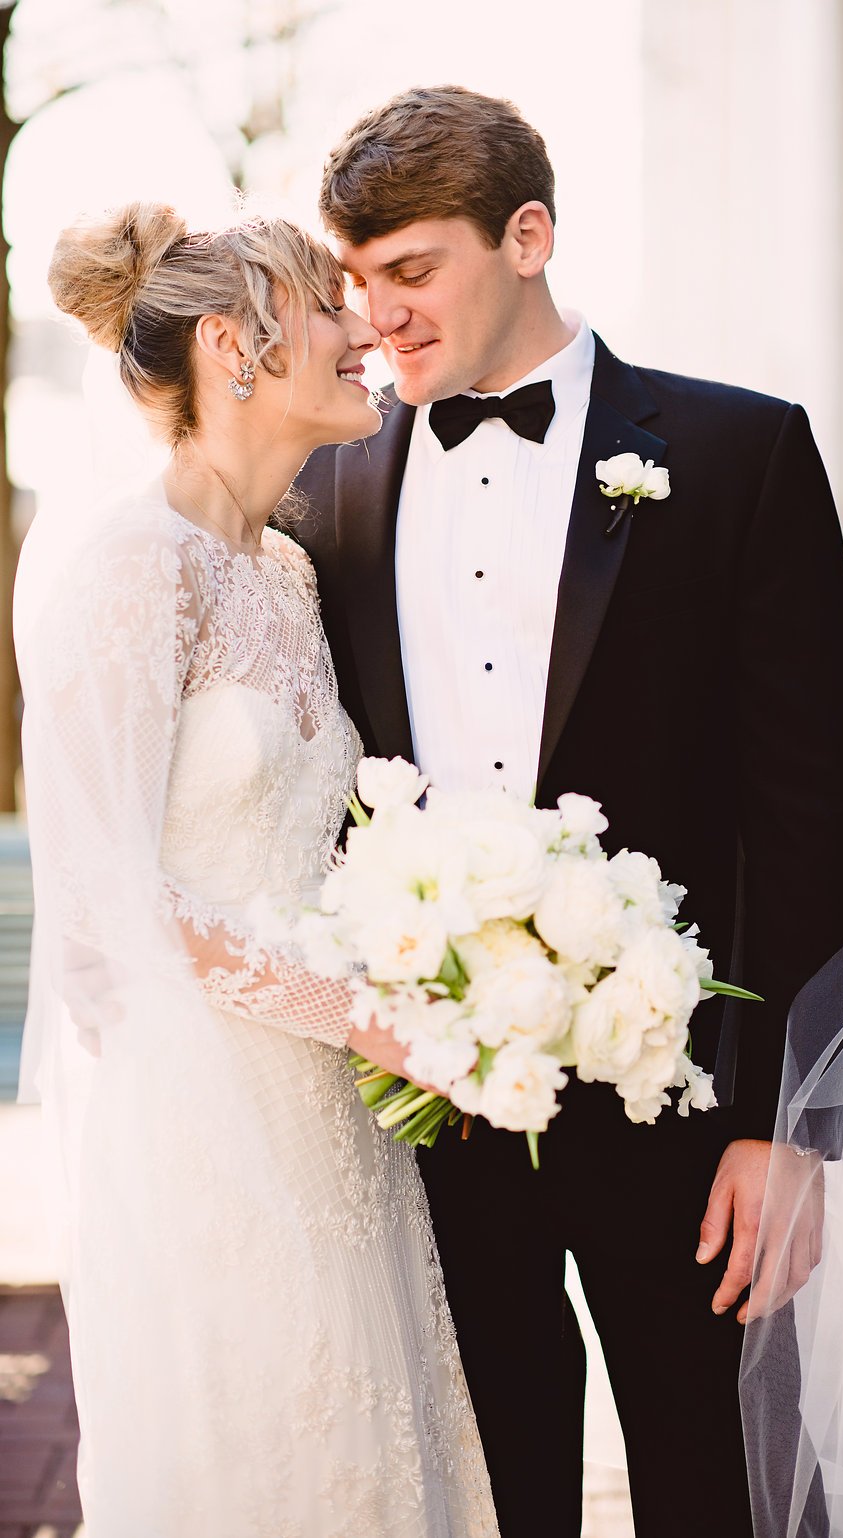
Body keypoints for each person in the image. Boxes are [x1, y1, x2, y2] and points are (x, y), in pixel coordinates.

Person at [294, 84, 843, 1537]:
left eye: (412, 271)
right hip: (430, 1121)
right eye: (358, 283)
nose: (380, 320)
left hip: (676, 1109)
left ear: (528, 234)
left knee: (705, 1484)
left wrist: (793, 1124)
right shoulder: (325, 488)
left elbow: (807, 812)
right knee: (488, 1496)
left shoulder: (741, 457)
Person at [16, 201, 499, 1537]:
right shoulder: (128, 566)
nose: (364, 333)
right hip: (206, 1124)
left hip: (340, 1116)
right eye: (328, 306)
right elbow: (113, 898)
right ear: (233, 345)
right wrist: (359, 1007)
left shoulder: (284, 571)